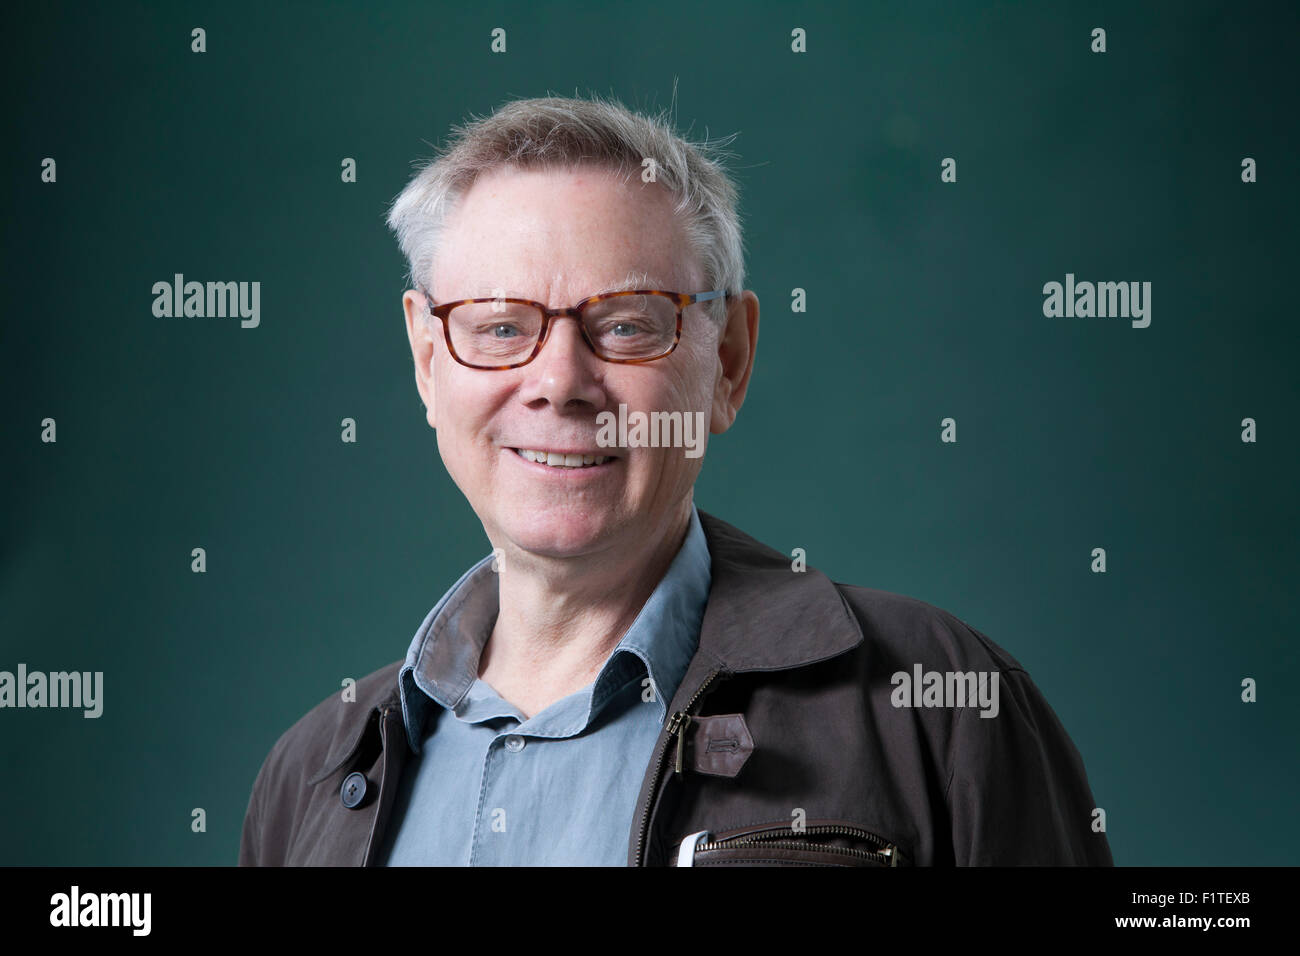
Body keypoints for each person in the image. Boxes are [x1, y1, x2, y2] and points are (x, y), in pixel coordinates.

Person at [238, 94, 1112, 866]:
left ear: (727, 361)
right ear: (429, 363)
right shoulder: (309, 778)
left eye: (625, 325)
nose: (558, 382)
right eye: (500, 327)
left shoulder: (938, 706)